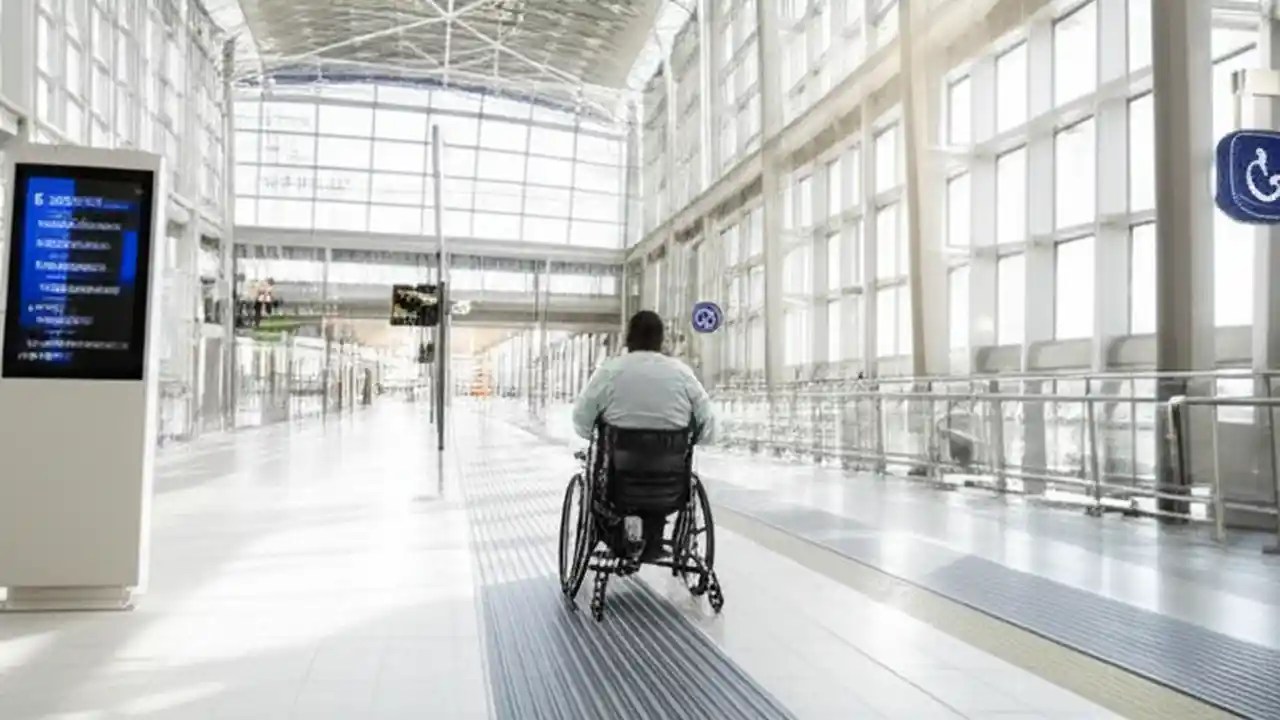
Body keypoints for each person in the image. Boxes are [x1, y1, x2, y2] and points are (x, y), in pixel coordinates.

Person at [572, 310, 717, 561]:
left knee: (598, 474)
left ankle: (612, 536)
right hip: (671, 488)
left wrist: (591, 434)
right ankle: (655, 540)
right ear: (662, 342)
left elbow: (582, 420)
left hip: (617, 485)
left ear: (627, 339)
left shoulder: (610, 371)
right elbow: (708, 424)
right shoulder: (682, 374)